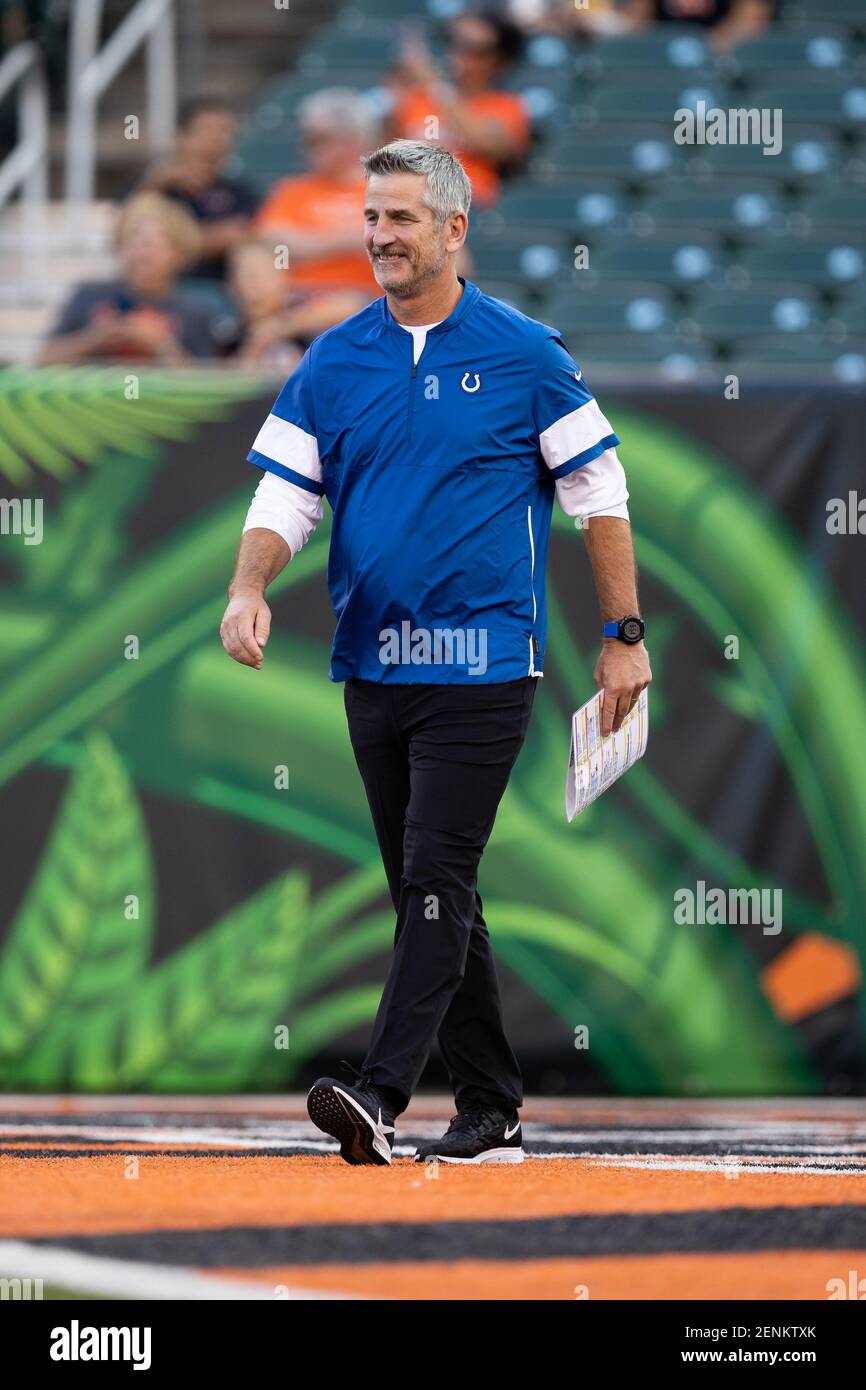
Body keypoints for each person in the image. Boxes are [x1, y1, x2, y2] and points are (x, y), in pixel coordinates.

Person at [220, 140, 651, 1166]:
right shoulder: (334, 356)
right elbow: (287, 491)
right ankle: (493, 1107)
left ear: (454, 229)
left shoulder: (525, 353)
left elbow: (599, 495)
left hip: (482, 662)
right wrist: (247, 585)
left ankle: (378, 1092)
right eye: (371, 218)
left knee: (431, 872)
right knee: (433, 889)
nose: (378, 236)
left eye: (400, 218)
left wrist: (623, 637)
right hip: (371, 665)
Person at [41, 194, 217, 365]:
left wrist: (161, 346)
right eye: (133, 242)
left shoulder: (196, 312)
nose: (142, 255)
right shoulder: (87, 295)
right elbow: (44, 360)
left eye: (154, 246)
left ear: (179, 254)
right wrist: (97, 339)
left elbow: (205, 383)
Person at [390, 10, 529, 207]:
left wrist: (435, 84)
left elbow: (486, 143)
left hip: (465, 209)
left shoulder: (507, 106)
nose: (459, 54)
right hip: (408, 204)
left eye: (475, 49)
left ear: (501, 61)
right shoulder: (417, 98)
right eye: (455, 42)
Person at [254, 89, 380, 298]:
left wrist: (309, 244)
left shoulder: (385, 189)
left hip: (368, 300)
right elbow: (276, 245)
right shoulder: (292, 190)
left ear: (353, 140)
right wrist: (353, 239)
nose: (308, 148)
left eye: (319, 139)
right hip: (296, 296)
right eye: (306, 139)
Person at [138, 98, 258, 281]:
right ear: (180, 137)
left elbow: (246, 237)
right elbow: (128, 235)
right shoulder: (155, 188)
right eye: (207, 130)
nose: (217, 140)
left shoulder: (240, 192)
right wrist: (155, 184)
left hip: (221, 291)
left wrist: (173, 242)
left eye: (225, 132)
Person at [222, 241, 367, 368]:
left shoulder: (305, 315)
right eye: (244, 275)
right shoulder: (228, 333)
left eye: (261, 275)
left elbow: (357, 305)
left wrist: (280, 328)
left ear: (283, 278)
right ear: (231, 286)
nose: (253, 286)